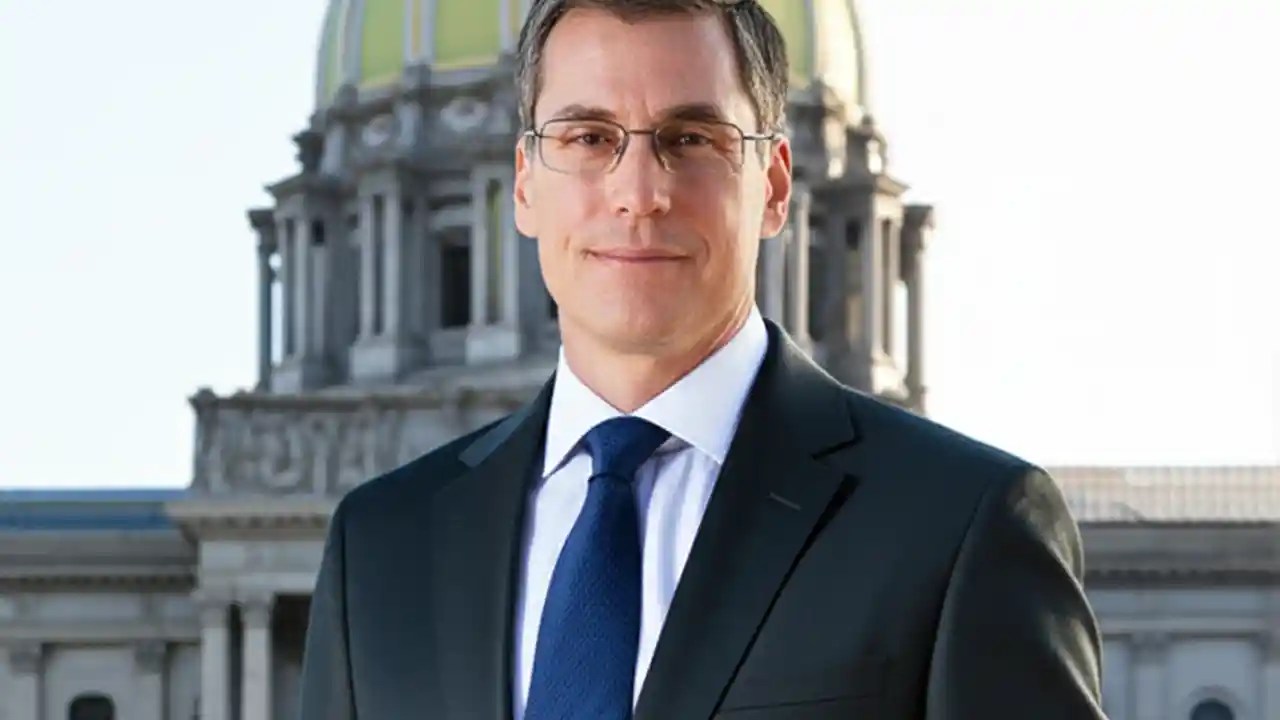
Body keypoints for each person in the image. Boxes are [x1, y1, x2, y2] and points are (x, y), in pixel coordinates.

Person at [298, 0, 1106, 718]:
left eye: (691, 138)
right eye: (587, 137)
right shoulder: (379, 547)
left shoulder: (960, 522)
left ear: (777, 183)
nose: (639, 192)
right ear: (522, 184)